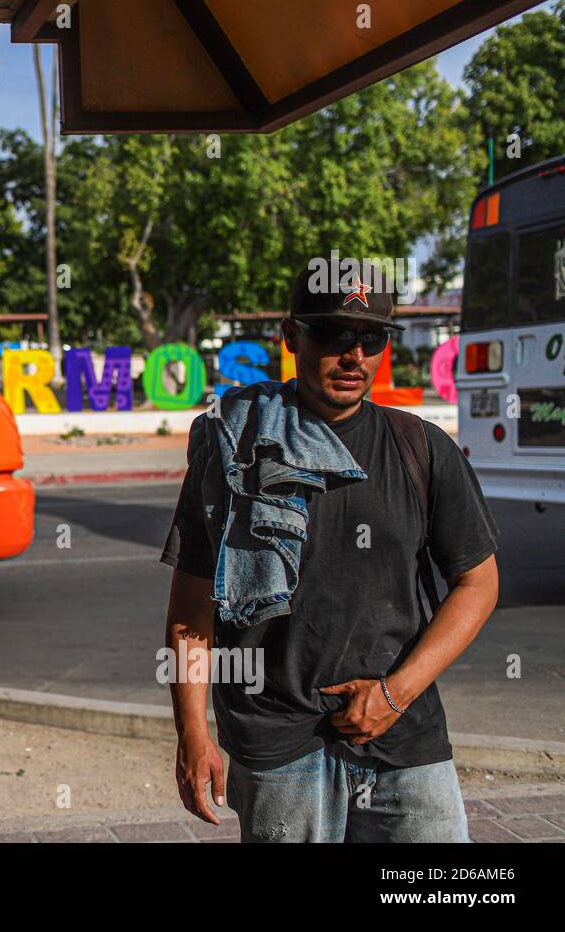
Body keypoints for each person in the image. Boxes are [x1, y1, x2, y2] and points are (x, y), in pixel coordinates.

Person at [161, 260, 499, 842]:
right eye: (335, 335)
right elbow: (193, 612)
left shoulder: (420, 448)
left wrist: (395, 694)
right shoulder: (234, 450)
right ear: (291, 337)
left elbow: (479, 583)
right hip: (277, 747)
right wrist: (192, 733)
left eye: (371, 340)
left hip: (405, 744)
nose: (354, 356)